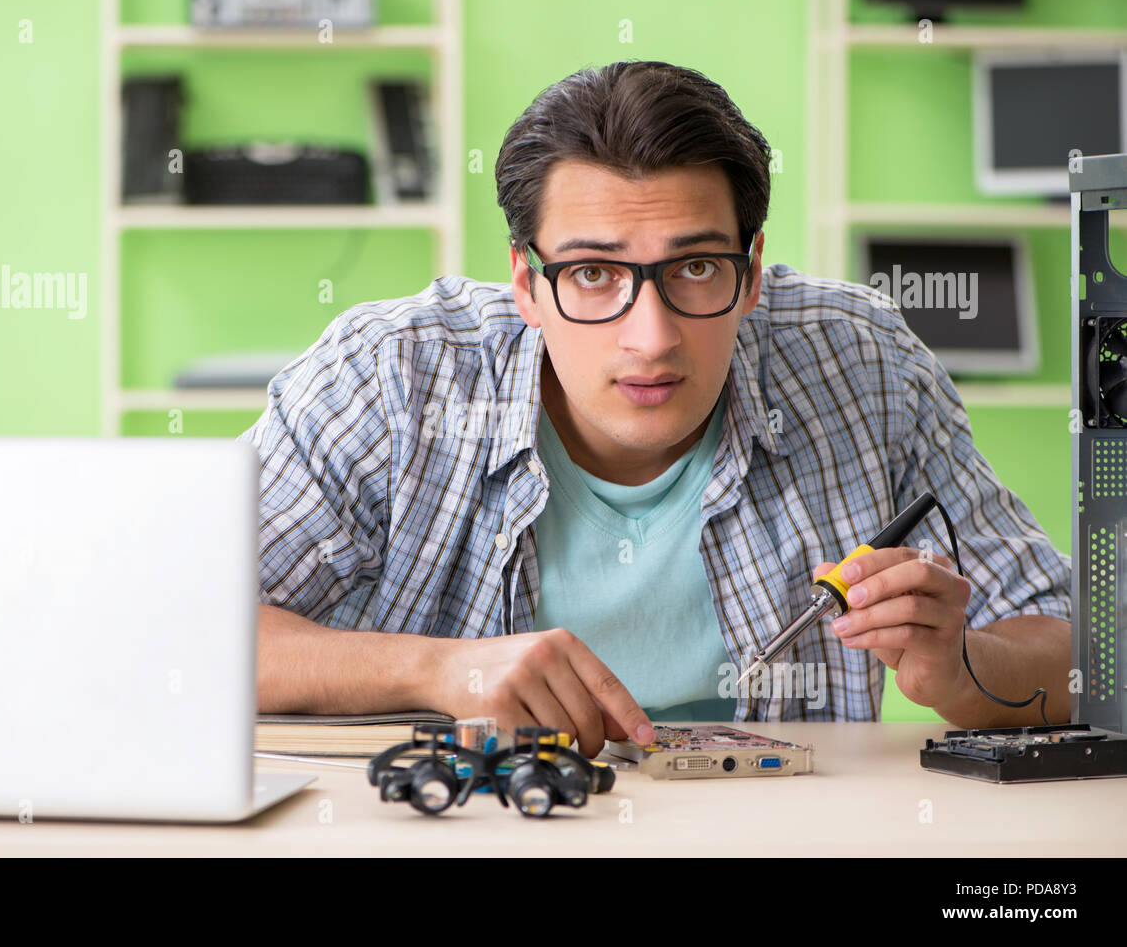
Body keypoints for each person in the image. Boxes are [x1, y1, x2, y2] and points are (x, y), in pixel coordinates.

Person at [244, 60, 1072, 758]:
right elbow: (173, 628)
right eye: (595, 273)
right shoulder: (390, 375)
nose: (652, 337)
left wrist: (967, 669)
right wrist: (438, 671)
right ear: (528, 284)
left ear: (750, 273)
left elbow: (1087, 660)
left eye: (698, 269)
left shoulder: (861, 361)